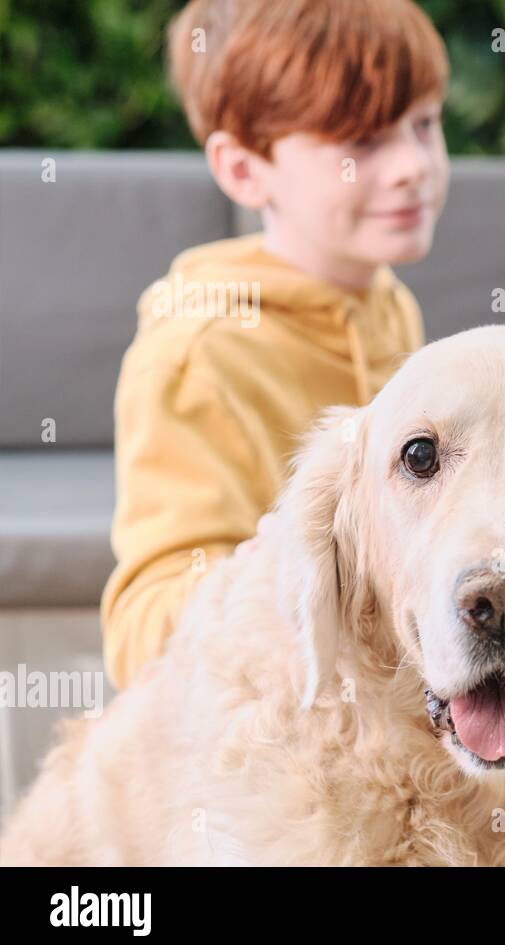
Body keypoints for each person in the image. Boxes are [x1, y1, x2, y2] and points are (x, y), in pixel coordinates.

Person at [100, 0, 450, 689]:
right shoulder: (200, 352)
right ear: (241, 168)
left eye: (425, 124)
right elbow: (140, 639)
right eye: (362, 142)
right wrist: (278, 569)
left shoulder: (387, 303)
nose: (413, 163)